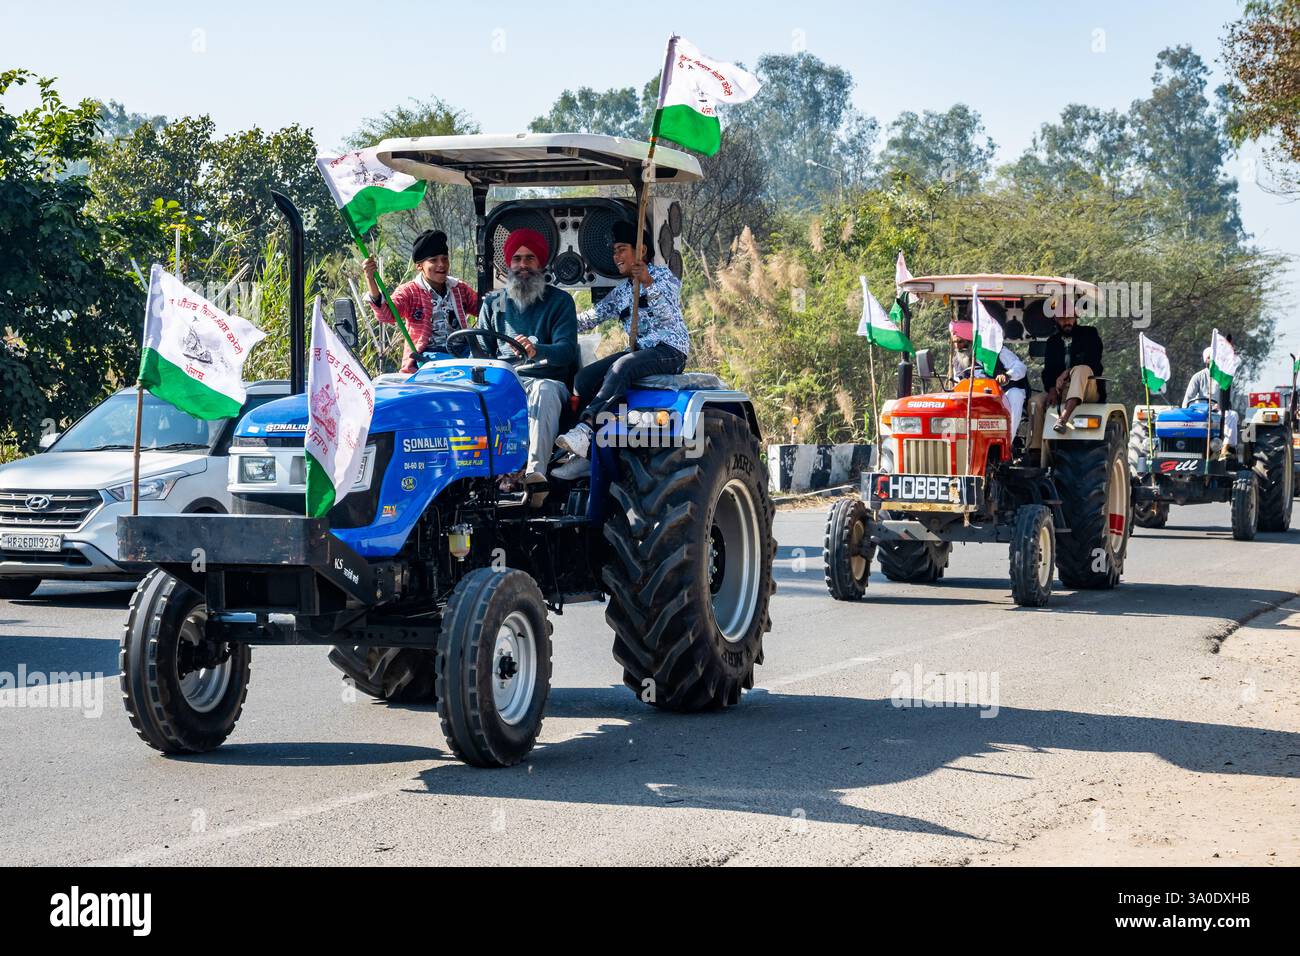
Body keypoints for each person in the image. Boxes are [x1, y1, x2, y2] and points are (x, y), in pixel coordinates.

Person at [551, 220, 689, 478]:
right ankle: (579, 454)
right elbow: (592, 317)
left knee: (622, 366)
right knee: (584, 377)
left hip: (668, 350)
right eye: (614, 251)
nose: (616, 256)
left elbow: (669, 317)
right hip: (639, 352)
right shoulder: (622, 291)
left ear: (642, 252)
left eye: (622, 249)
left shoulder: (663, 277)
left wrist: (647, 282)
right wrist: (559, 321)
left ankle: (588, 427)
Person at [477, 227, 577, 504]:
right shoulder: (492, 304)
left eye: (530, 258)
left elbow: (567, 351)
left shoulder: (559, 302)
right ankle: (474, 479)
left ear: (541, 263)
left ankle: (534, 475)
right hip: (505, 381)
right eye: (517, 258)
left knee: (543, 391)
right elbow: (482, 351)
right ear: (508, 263)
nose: (523, 265)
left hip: (546, 380)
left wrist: (536, 350)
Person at [362, 229, 479, 374]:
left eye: (444, 258)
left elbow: (482, 308)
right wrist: (370, 279)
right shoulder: (409, 291)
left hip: (463, 352)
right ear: (419, 266)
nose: (441, 264)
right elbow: (387, 315)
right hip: (429, 357)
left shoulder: (459, 288)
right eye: (434, 260)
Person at [1027, 306, 1104, 461]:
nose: (1067, 322)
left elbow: (1094, 363)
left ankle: (1063, 418)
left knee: (1081, 369)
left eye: (1069, 317)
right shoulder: (1052, 341)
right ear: (1055, 320)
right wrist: (1051, 390)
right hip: (1062, 390)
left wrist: (1068, 371)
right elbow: (1048, 372)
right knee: (1035, 402)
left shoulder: (1089, 334)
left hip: (1088, 388)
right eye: (1062, 319)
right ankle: (1035, 451)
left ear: (1076, 317)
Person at [949, 318, 1029, 440]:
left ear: (971, 341)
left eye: (960, 342)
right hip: (975, 400)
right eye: (954, 342)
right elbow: (957, 384)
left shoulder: (996, 351)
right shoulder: (957, 361)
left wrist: (1008, 375)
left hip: (1002, 397)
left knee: (1016, 394)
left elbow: (1020, 367)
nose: (957, 346)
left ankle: (1008, 443)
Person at [1184, 345, 1241, 461]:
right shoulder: (1198, 377)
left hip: (1217, 411)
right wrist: (1186, 411)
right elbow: (1188, 399)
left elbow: (1229, 398)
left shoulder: (1224, 378)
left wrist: (1218, 406)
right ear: (1206, 360)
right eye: (1210, 357)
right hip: (1199, 412)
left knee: (1232, 415)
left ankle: (1225, 449)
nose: (1213, 360)